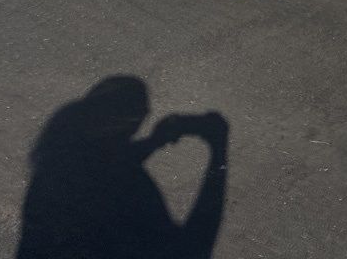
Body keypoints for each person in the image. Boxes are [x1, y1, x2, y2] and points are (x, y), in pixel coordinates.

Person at [16, 76, 228, 259]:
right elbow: (193, 251)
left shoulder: (57, 167)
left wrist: (153, 142)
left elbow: (104, 166)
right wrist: (218, 149)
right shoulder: (132, 191)